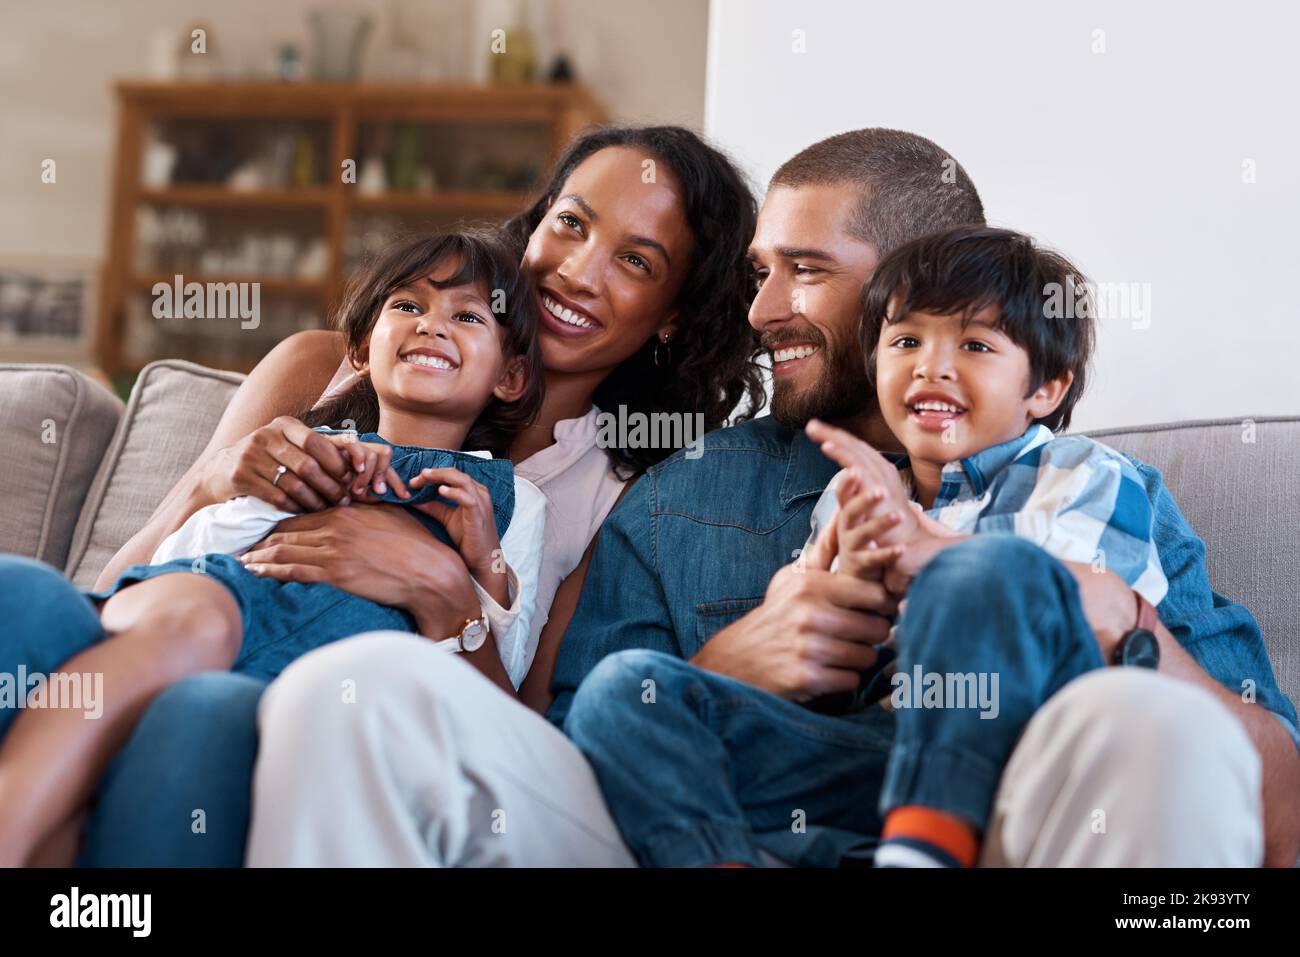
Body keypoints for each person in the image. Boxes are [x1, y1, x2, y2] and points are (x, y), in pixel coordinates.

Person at [248, 129, 1300, 868]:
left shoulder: (1092, 493)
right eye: (757, 272)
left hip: (1002, 823)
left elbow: (1272, 789)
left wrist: (1115, 620)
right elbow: (555, 753)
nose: (758, 310)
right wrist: (726, 665)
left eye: (802, 271)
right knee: (361, 688)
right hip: (711, 827)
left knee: (1157, 723)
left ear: (909, 286)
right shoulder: (684, 494)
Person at [51, 124, 763, 866]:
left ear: (675, 313)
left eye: (635, 261)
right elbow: (110, 597)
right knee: (31, 602)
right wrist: (209, 480)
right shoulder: (319, 367)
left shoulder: (629, 492)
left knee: (208, 713)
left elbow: (527, 737)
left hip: (364, 742)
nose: (579, 273)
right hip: (206, 643)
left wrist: (443, 589)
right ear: (539, 219)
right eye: (572, 223)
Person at [565, 226, 1175, 867]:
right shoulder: (853, 496)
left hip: (1022, 754)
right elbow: (827, 680)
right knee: (621, 689)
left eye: (974, 344)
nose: (931, 366)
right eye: (906, 341)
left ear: (1045, 388)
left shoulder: (1081, 474)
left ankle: (926, 843)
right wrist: (842, 587)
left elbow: (1060, 614)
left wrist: (924, 552)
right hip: (871, 756)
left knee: (986, 574)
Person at [0, 230, 548, 867]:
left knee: (159, 744)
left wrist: (483, 566)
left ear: (510, 376)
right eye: (408, 306)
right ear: (362, 349)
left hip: (317, 672)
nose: (432, 325)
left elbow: (496, 669)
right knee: (191, 622)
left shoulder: (514, 501)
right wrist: (290, 490)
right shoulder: (299, 446)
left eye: (468, 316)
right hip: (224, 598)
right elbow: (185, 555)